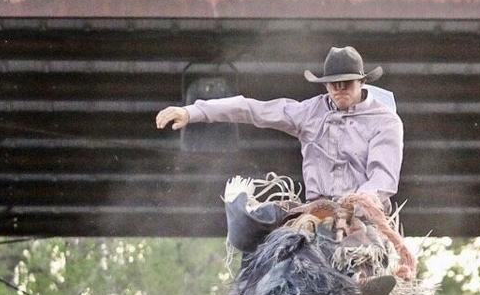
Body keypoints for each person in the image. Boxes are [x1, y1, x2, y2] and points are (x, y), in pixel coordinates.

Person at [156, 45, 402, 210]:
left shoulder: (385, 121)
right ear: (325, 85)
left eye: (346, 83)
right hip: (315, 212)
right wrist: (192, 111)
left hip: (365, 215)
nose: (339, 89)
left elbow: (383, 177)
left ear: (361, 81)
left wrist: (359, 202)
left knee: (371, 257)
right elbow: (251, 109)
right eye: (332, 84)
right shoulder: (308, 112)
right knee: (258, 233)